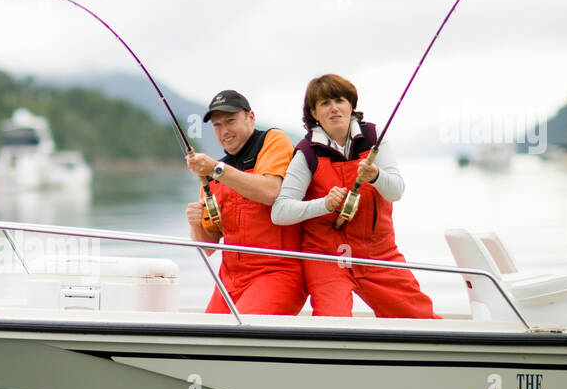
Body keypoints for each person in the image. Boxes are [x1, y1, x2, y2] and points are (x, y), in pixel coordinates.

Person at [271, 74, 438, 318]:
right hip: (326, 257)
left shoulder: (374, 138)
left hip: (378, 253)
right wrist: (324, 204)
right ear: (315, 114)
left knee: (420, 319)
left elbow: (397, 191)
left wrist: (376, 176)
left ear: (351, 106)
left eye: (340, 100)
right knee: (333, 324)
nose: (334, 108)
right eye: (325, 103)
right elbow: (280, 212)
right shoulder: (306, 152)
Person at [185, 89, 307, 315]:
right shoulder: (214, 171)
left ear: (250, 117)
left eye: (230, 121)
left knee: (233, 336)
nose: (224, 131)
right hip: (230, 278)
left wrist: (216, 169)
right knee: (203, 339)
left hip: (277, 273)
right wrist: (196, 224)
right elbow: (208, 245)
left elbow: (271, 191)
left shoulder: (273, 140)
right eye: (217, 125)